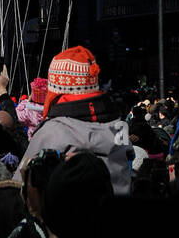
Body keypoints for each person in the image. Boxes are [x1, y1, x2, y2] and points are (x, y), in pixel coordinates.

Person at [14, 47, 132, 195]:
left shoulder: (53, 131)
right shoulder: (119, 125)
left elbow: (19, 186)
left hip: (69, 217)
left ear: (56, 90)